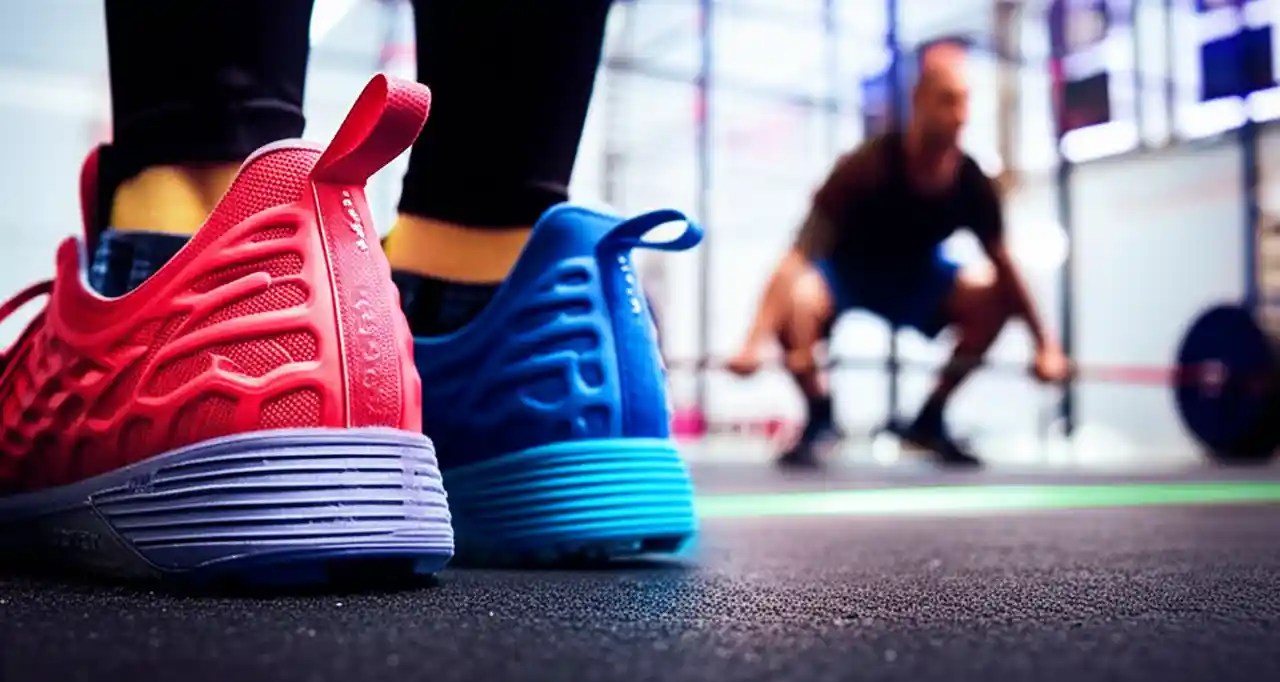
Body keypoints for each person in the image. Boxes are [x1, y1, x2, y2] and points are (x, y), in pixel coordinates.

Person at [0, 0, 699, 585]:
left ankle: (179, 257)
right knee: (491, 215)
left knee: (197, 152)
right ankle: (487, 280)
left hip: (205, 352)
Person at [727, 42, 1070, 467]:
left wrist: (1046, 346)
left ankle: (930, 419)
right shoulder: (863, 167)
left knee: (994, 294)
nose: (960, 115)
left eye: (964, 102)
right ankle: (820, 417)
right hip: (847, 276)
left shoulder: (970, 181)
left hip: (918, 280)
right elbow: (795, 258)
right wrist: (752, 342)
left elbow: (1007, 267)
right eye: (947, 101)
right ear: (918, 101)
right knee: (796, 299)